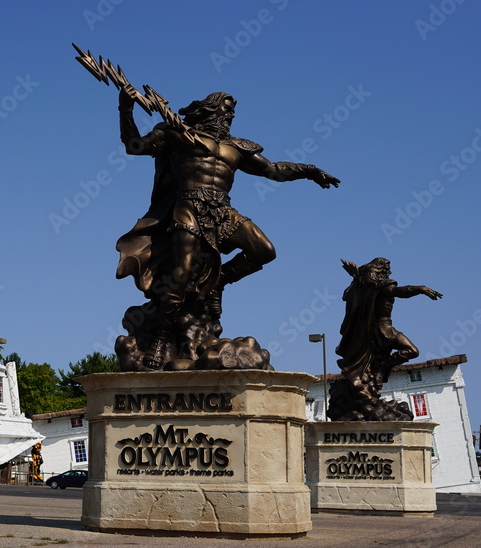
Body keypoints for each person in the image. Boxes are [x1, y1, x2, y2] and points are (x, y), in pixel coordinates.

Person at [116, 89, 339, 369]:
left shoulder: (237, 147)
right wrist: (126, 108)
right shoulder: (175, 133)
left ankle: (220, 280)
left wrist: (308, 170)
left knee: (264, 251)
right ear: (210, 109)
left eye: (233, 110)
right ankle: (161, 339)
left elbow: (274, 170)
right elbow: (134, 145)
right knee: (180, 274)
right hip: (188, 205)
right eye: (226, 108)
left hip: (222, 210)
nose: (231, 115)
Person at [329, 258, 442, 420]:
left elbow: (346, 295)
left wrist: (356, 278)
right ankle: (382, 368)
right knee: (412, 351)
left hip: (374, 330)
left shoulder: (364, 287)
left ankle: (377, 372)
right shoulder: (383, 286)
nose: (389, 272)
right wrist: (421, 289)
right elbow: (401, 292)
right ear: (380, 270)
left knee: (374, 363)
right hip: (384, 329)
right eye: (387, 269)